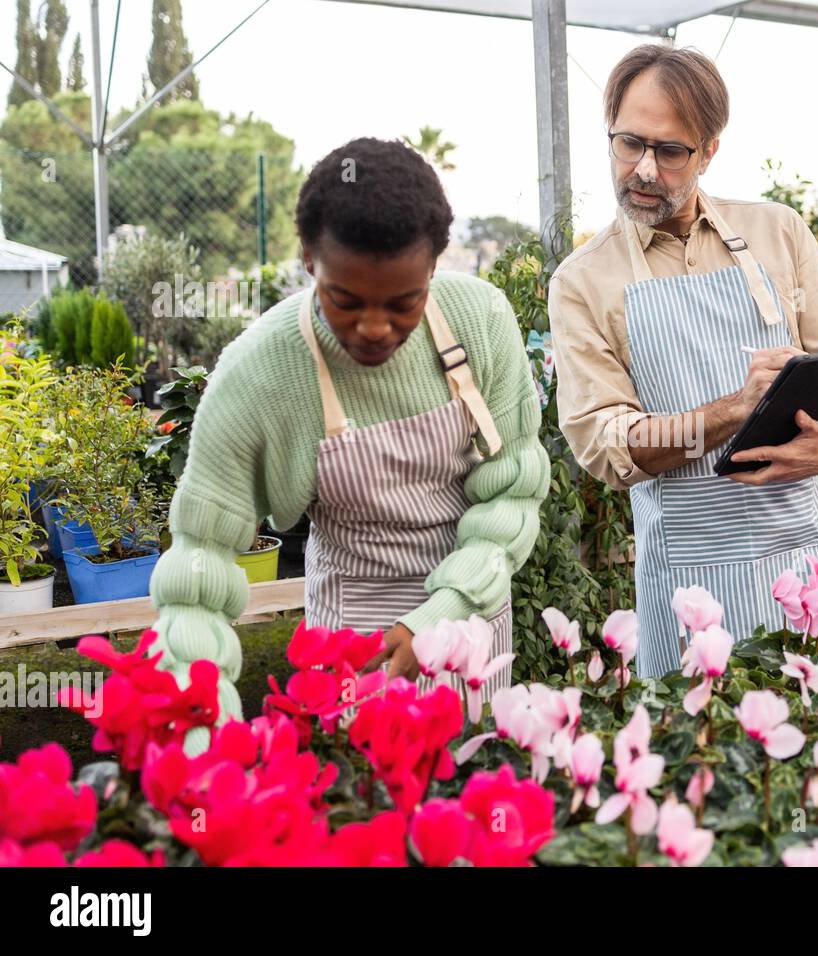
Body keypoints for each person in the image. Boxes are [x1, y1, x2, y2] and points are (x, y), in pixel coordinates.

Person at [149, 137, 549, 746]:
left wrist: (440, 617)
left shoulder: (480, 321)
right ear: (309, 258)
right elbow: (198, 569)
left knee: (474, 804)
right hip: (351, 638)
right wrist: (205, 738)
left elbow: (513, 493)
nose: (373, 328)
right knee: (360, 807)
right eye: (346, 300)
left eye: (403, 303)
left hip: (471, 614)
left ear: (435, 266)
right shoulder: (258, 373)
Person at [549, 45, 818, 678]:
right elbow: (610, 448)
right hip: (690, 583)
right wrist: (732, 411)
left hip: (806, 559)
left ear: (710, 149)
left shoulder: (779, 233)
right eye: (628, 143)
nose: (643, 169)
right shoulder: (583, 281)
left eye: (670, 151)